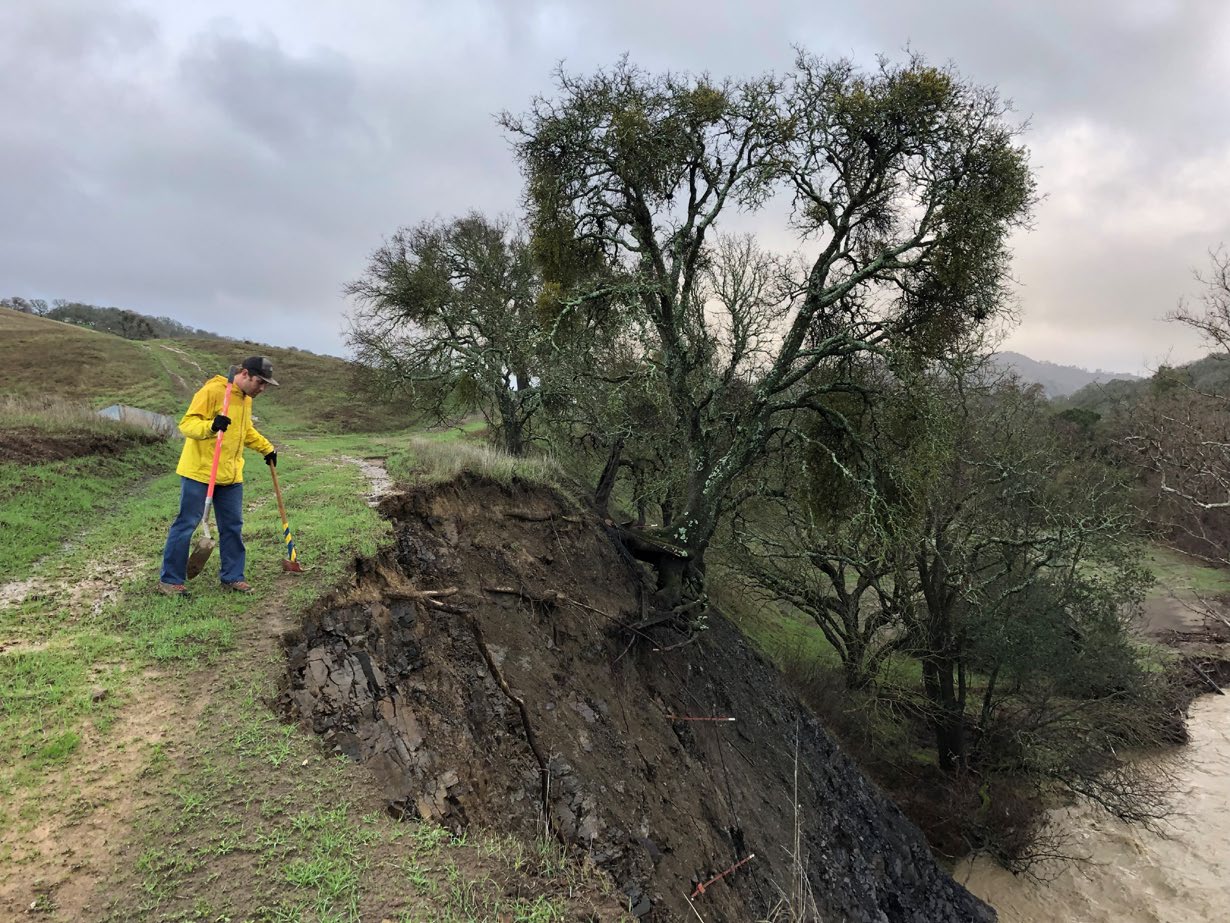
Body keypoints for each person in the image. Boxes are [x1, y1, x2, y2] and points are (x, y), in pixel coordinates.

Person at [158, 356, 279, 596]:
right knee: (186, 524)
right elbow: (187, 424)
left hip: (231, 475)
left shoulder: (246, 399)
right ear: (244, 374)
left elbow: (245, 431)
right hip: (200, 472)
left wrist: (267, 448)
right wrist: (212, 426)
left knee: (233, 526)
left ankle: (233, 576)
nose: (262, 388)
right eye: (260, 382)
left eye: (266, 384)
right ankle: (170, 581)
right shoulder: (213, 391)